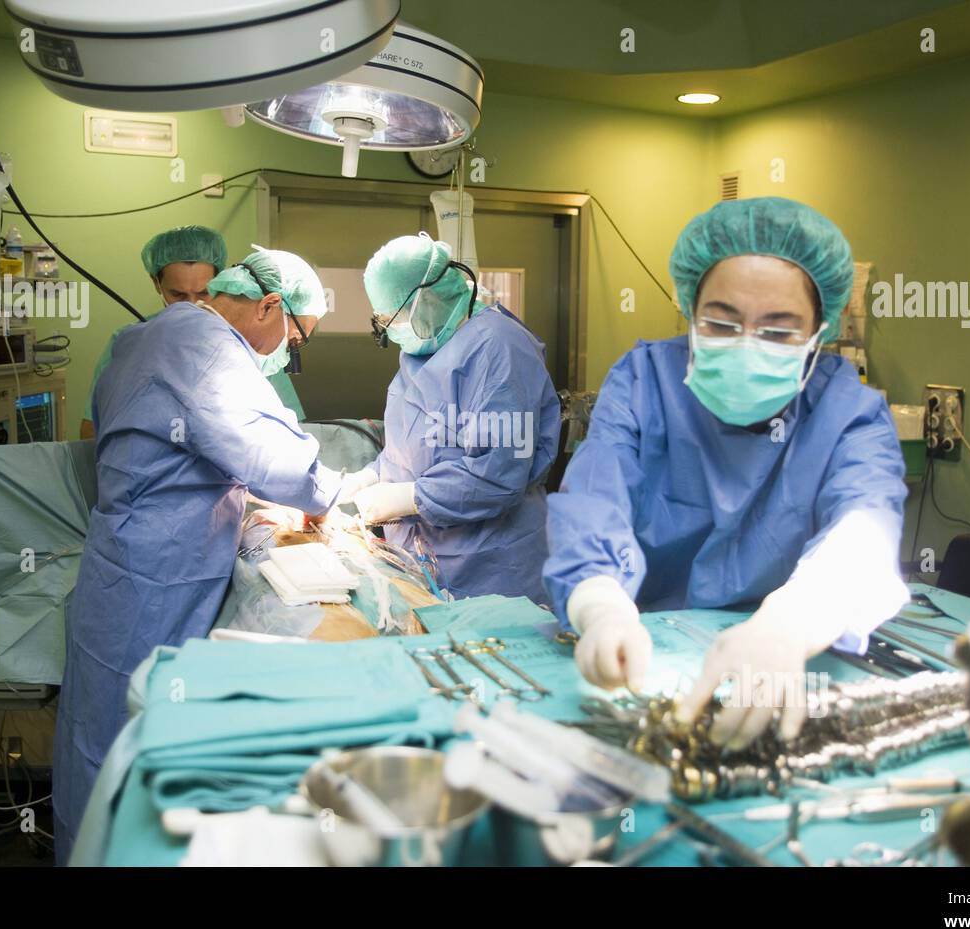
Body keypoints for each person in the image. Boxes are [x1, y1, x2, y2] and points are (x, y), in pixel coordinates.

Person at [544, 197, 909, 750]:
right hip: (643, 647)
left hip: (791, 654)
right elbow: (595, 498)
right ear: (689, 310)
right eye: (720, 322)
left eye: (780, 331)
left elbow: (865, 530)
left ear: (819, 332)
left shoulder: (846, 411)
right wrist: (599, 603)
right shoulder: (645, 381)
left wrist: (794, 620)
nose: (747, 345)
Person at [53, 249, 343, 863]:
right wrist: (335, 493)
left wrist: (239, 501)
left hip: (117, 564)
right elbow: (283, 463)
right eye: (296, 335)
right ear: (269, 305)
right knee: (139, 735)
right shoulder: (211, 348)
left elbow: (162, 444)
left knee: (94, 734)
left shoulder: (143, 338)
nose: (290, 350)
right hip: (158, 574)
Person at [347, 233, 561, 602]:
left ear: (426, 300)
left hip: (492, 569)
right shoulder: (425, 348)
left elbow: (499, 474)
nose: (390, 329)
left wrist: (409, 496)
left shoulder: (499, 350)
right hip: (425, 558)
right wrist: (372, 475)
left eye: (392, 318)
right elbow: (419, 440)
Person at [79, 227, 310, 437]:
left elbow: (290, 431)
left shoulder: (251, 345)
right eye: (178, 295)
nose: (191, 306)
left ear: (221, 283)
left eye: (203, 293)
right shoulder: (132, 343)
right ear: (156, 284)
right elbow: (92, 430)